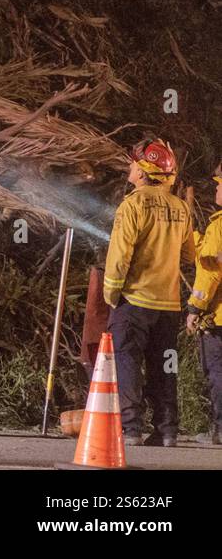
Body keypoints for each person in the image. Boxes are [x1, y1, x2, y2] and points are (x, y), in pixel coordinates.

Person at [103, 137, 195, 448]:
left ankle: (131, 429)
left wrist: (111, 294)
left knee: (127, 361)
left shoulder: (132, 205)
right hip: (168, 304)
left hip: (134, 301)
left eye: (133, 162)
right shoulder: (181, 208)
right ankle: (167, 430)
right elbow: (188, 256)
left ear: (143, 172)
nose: (129, 166)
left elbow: (119, 256)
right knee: (164, 366)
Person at [187, 163, 222, 445]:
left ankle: (221, 429)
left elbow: (210, 271)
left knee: (218, 372)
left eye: (220, 184)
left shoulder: (219, 225)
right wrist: (195, 240)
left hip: (219, 318)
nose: (217, 189)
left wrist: (195, 308)